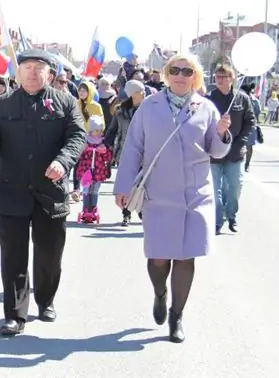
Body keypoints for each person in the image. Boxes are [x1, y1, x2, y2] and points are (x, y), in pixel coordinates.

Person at [114, 53, 231, 343]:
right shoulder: (149, 107)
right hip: (159, 193)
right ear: (167, 74)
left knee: (186, 256)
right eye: (174, 70)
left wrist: (222, 134)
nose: (180, 75)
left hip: (195, 195)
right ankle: (160, 292)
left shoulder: (207, 108)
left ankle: (177, 315)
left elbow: (216, 151)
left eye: (187, 70)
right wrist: (123, 185)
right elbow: (132, 149)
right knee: (158, 258)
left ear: (195, 76)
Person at [0, 50, 86, 336]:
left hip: (50, 192)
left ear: (49, 73)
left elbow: (77, 136)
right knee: (13, 256)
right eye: (26, 67)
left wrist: (63, 161)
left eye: (39, 68)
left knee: (49, 254)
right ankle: (14, 314)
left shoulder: (65, 102)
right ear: (17, 72)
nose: (32, 72)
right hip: (12, 191)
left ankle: (45, 299)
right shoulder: (2, 104)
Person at [207, 64, 254, 235]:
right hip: (214, 153)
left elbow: (250, 122)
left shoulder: (242, 98)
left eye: (223, 76)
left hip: (235, 152)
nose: (219, 80)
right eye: (217, 76)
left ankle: (232, 215)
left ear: (231, 78)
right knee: (214, 189)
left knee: (235, 187)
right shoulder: (209, 98)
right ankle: (218, 220)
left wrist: (240, 143)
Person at [103, 79, 147, 225]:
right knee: (127, 184)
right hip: (125, 152)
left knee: (142, 185)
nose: (143, 93)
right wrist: (106, 144)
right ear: (133, 94)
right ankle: (126, 213)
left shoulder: (149, 110)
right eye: (140, 91)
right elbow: (112, 130)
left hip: (146, 154)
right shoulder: (121, 111)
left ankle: (143, 213)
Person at [75, 115, 112, 224]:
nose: (99, 133)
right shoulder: (85, 141)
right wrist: (83, 149)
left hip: (98, 171)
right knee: (86, 189)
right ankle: (86, 208)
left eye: (101, 130)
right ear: (91, 130)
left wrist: (104, 152)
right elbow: (78, 155)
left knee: (95, 190)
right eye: (97, 130)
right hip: (86, 171)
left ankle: (94, 207)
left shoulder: (102, 142)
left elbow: (108, 157)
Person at [240, 83, 261, 172]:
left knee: (248, 146)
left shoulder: (254, 101)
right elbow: (258, 112)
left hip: (249, 126)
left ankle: (246, 164)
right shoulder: (239, 99)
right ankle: (243, 163)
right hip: (242, 125)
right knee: (244, 146)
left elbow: (257, 112)